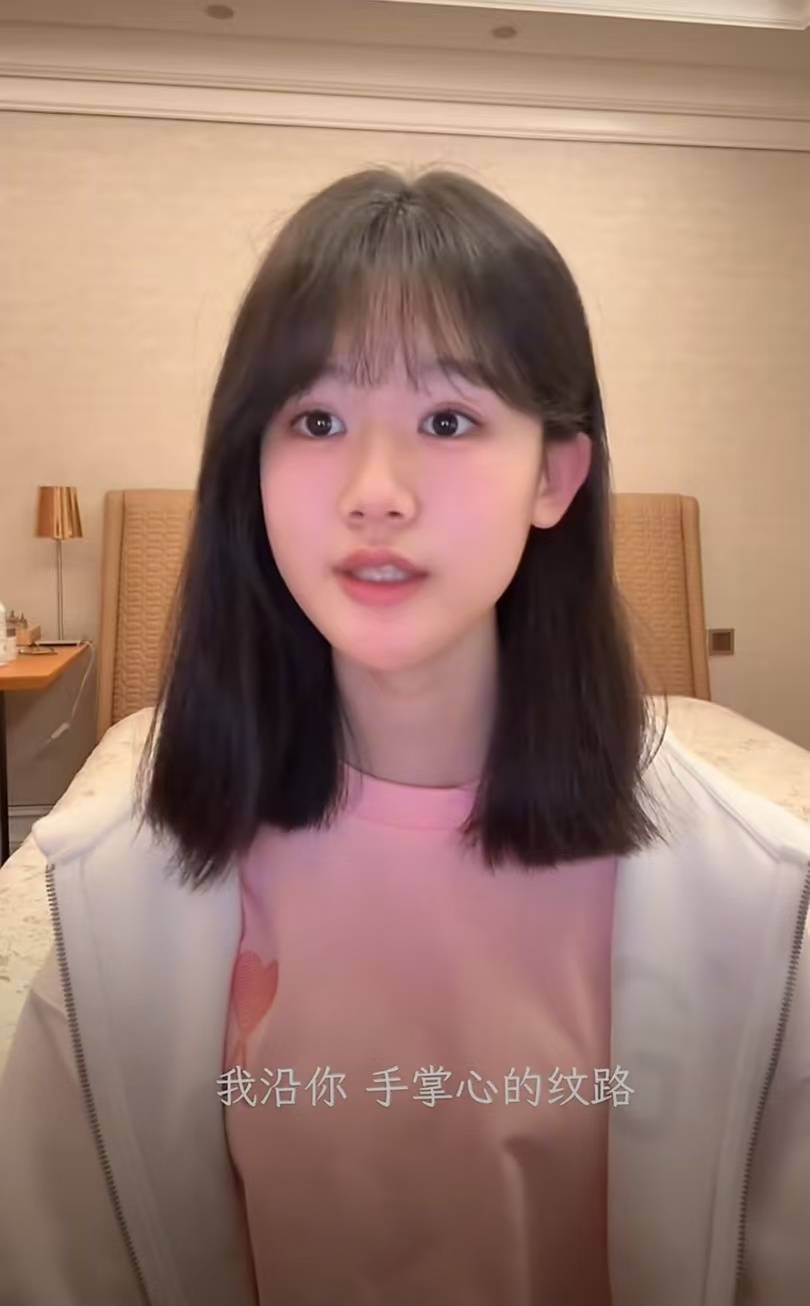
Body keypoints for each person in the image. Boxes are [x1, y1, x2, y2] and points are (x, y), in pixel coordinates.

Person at [0, 165, 808, 1306]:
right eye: (317, 420)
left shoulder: (763, 911)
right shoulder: (111, 908)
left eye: (448, 419)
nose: (376, 491)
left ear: (555, 475)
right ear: (253, 469)